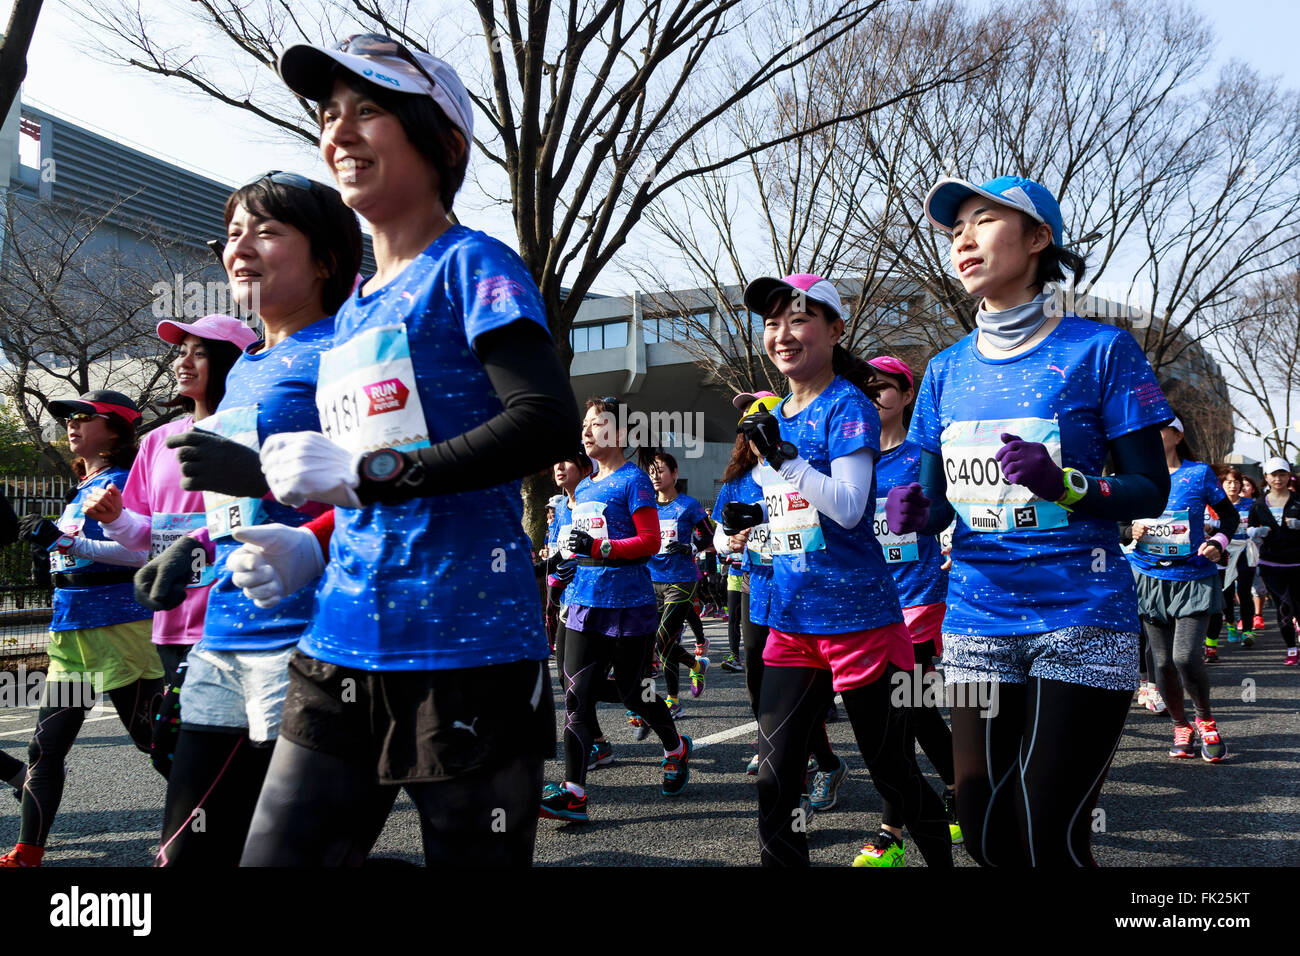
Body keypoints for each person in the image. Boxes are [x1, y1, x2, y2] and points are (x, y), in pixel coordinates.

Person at [230, 35, 576, 866]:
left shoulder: (474, 265)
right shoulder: (348, 314)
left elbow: (544, 422)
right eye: (328, 115)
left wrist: (368, 474)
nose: (339, 132)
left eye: (370, 110)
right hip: (339, 641)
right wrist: (311, 543)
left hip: (466, 648)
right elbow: (365, 479)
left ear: (444, 142)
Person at [891, 175, 1175, 866]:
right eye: (955, 229)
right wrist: (914, 513)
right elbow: (935, 508)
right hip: (976, 620)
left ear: (1039, 238)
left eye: (983, 221)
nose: (962, 239)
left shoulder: (1100, 350)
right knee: (987, 838)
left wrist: (1066, 484)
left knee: (1048, 833)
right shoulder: (944, 371)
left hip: (1082, 615)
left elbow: (1149, 490)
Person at [137, 172, 361, 867]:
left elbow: (387, 489)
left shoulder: (348, 351)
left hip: (311, 642)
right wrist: (191, 550)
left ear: (324, 257)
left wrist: (303, 531)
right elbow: (238, 504)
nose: (241, 247)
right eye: (233, 232)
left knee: (290, 859)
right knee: (187, 851)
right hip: (222, 631)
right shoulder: (245, 371)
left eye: (266, 230)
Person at [731, 273, 952, 868]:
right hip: (790, 619)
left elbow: (851, 507)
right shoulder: (772, 410)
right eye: (773, 323)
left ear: (834, 328)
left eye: (799, 319)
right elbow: (791, 503)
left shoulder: (848, 404)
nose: (782, 334)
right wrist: (748, 513)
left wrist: (783, 456)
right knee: (775, 781)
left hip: (858, 622)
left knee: (896, 777)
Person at [83, 316, 256, 777]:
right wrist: (116, 519)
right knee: (175, 754)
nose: (183, 361)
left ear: (230, 363)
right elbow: (149, 536)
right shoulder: (158, 441)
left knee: (229, 756)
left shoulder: (252, 428)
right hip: (171, 622)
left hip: (236, 617)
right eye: (181, 351)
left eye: (199, 352)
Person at [3, 392, 162, 868]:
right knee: (44, 748)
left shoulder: (123, 481)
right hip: (71, 632)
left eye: (82, 417)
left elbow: (143, 552)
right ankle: (28, 853)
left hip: (118, 627)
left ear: (115, 429)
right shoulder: (83, 485)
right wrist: (48, 557)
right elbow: (75, 550)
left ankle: (231, 829)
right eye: (68, 418)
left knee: (153, 743)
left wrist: (63, 540)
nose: (71, 424)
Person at [539, 397, 691, 821]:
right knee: (575, 696)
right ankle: (574, 792)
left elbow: (649, 542)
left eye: (596, 424)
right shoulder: (583, 486)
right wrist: (563, 562)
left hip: (629, 606)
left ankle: (675, 747)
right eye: (584, 425)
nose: (586, 431)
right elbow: (581, 545)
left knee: (633, 694)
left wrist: (600, 547)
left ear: (621, 434)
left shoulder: (634, 481)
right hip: (583, 603)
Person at [852, 355, 962, 865]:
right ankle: (959, 784)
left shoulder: (923, 452)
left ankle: (891, 830)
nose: (874, 397)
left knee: (906, 709)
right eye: (867, 389)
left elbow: (954, 504)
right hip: (870, 604)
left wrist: (953, 540)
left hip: (920, 597)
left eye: (883, 388)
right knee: (908, 714)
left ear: (906, 394)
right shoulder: (852, 453)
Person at [1124, 418, 1233, 761]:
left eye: (1159, 430)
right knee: (1162, 663)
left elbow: (1229, 518)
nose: (1151, 437)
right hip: (1150, 579)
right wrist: (1129, 531)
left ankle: (1206, 720)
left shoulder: (1198, 474)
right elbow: (1112, 523)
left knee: (1184, 656)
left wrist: (1218, 541)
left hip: (1193, 578)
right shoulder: (1134, 476)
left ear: (1177, 435)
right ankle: (1180, 724)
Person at [647, 451, 712, 716]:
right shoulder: (646, 506)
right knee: (662, 641)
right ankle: (696, 667)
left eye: (660, 470)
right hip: (652, 580)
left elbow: (708, 536)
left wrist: (689, 547)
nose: (655, 476)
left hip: (681, 580)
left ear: (674, 474)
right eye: (651, 471)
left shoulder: (689, 505)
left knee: (663, 639)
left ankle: (673, 701)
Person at [1247, 457, 1300, 666]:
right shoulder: (1259, 504)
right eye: (1274, 475)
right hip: (1271, 565)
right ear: (1266, 477)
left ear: (1289, 476)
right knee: (1283, 606)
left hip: (1297, 563)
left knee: (1298, 606)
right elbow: (1249, 529)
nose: (1278, 479)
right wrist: (1256, 531)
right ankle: (1291, 649)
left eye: (1282, 474)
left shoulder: (1298, 500)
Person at [1205, 466, 1255, 648]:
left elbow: (1258, 525)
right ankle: (1231, 623)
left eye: (1236, 482)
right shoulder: (1212, 506)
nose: (1233, 486)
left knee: (1244, 591)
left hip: (1244, 552)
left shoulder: (1250, 504)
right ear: (1221, 484)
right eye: (1228, 482)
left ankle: (1248, 631)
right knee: (1226, 595)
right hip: (1222, 552)